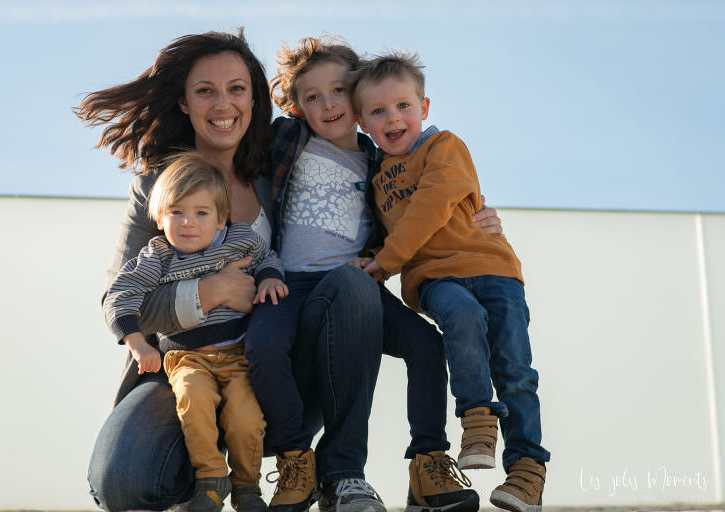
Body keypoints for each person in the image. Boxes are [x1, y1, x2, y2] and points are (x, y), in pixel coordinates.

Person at [77, 30, 504, 512]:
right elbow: (121, 297)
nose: (223, 104)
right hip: (189, 361)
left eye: (237, 89)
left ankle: (356, 472)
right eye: (205, 91)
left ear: (255, 99)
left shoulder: (278, 159)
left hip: (292, 358)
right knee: (126, 480)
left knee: (357, 290)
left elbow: (412, 186)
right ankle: (201, 473)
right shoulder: (159, 186)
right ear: (184, 102)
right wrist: (211, 291)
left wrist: (471, 217)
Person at [250, 36, 477, 512]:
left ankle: (428, 462)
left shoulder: (383, 163)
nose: (328, 104)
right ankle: (296, 460)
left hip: (354, 282)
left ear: (358, 99)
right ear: (297, 108)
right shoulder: (289, 139)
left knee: (427, 344)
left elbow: (431, 201)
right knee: (263, 347)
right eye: (313, 97)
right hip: (290, 281)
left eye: (338, 91)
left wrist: (479, 213)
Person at [351, 53, 551, 512]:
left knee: (515, 369)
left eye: (403, 106)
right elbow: (387, 232)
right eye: (378, 111)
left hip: (494, 270)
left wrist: (386, 262)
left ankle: (527, 470)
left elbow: (432, 204)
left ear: (424, 107)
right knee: (461, 315)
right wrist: (373, 257)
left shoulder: (444, 146)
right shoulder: (376, 179)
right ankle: (477, 417)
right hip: (435, 277)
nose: (393, 118)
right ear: (362, 122)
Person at [103, 151, 288, 512]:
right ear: (160, 217)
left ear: (220, 218)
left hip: (238, 356)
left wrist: (269, 279)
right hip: (187, 358)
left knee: (246, 418)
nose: (188, 223)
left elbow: (267, 258)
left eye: (201, 213)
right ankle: (211, 479)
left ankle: (247, 487)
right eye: (177, 212)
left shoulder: (239, 239)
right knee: (194, 403)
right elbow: (120, 295)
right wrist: (138, 344)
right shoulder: (157, 256)